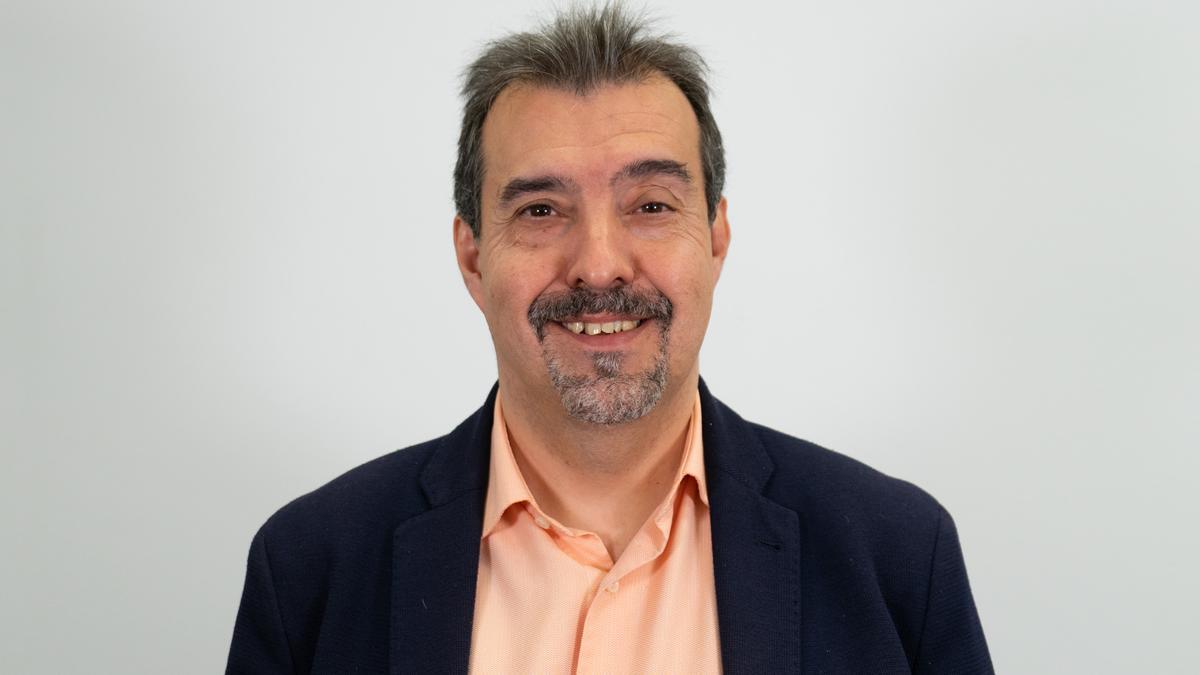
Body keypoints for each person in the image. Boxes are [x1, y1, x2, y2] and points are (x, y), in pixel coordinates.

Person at [226, 4, 992, 673]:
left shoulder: (897, 557)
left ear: (715, 239)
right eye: (540, 210)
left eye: (651, 206)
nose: (598, 264)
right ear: (472, 257)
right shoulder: (309, 570)